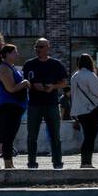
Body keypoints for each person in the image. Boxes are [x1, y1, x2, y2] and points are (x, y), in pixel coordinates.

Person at [22, 37, 68, 169]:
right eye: (36, 47)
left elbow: (64, 82)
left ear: (48, 48)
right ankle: (31, 162)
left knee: (55, 135)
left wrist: (53, 87)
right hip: (34, 104)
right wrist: (33, 85)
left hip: (52, 103)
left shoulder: (56, 64)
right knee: (32, 135)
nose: (38, 49)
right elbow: (25, 82)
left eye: (41, 47)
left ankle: (57, 162)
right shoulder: (29, 64)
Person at [0, 43, 30, 169]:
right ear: (7, 54)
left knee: (4, 135)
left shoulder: (11, 67)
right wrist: (25, 82)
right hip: (9, 107)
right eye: (14, 52)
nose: (17, 54)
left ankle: (6, 163)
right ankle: (8, 165)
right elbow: (11, 88)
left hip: (15, 107)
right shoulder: (4, 68)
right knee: (8, 136)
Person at [69, 53, 98, 168]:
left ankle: (84, 161)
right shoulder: (90, 75)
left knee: (87, 136)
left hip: (80, 111)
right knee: (90, 138)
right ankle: (87, 162)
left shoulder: (74, 76)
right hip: (91, 110)